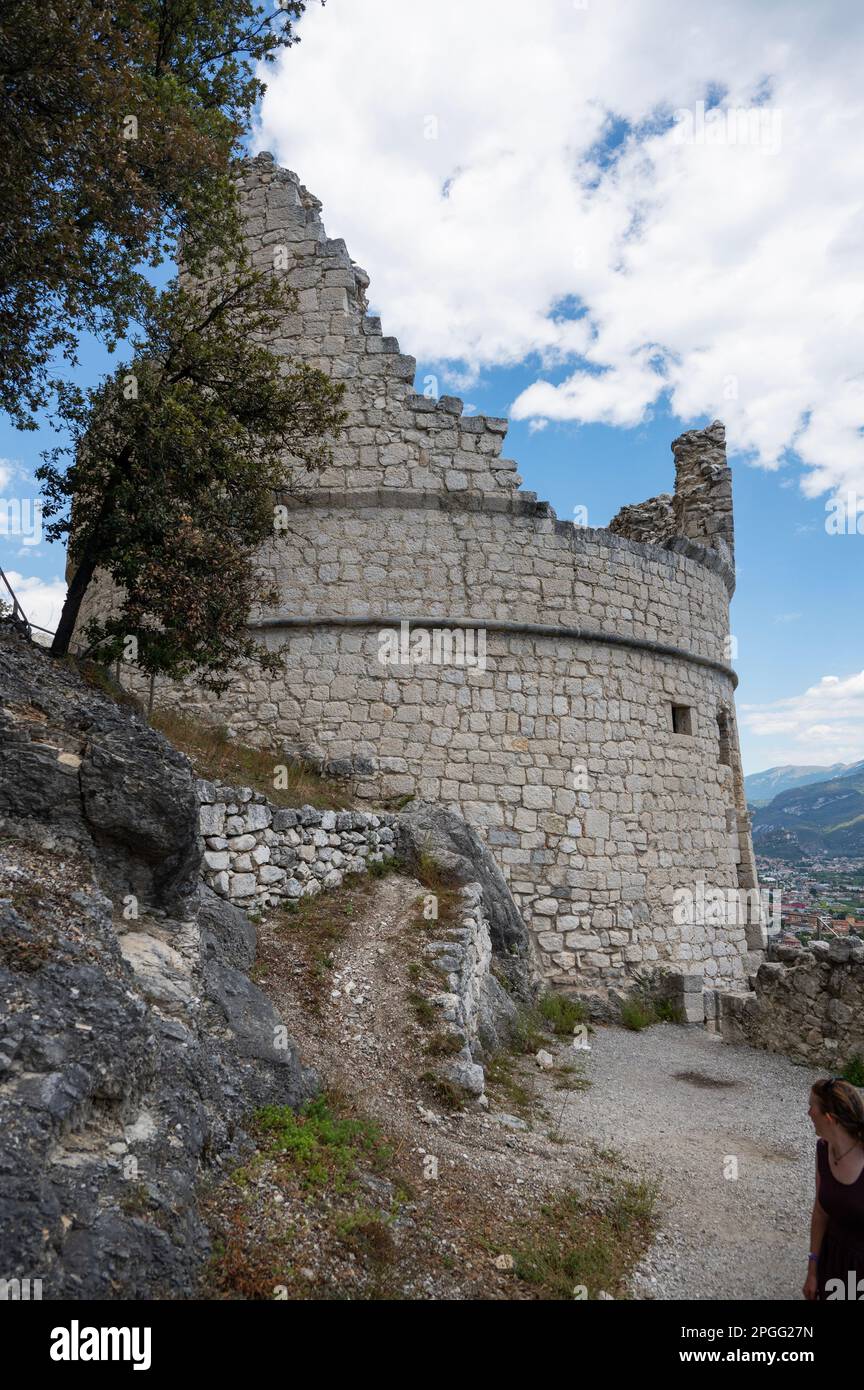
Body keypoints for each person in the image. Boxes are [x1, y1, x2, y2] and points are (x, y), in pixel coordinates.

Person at [803, 1077, 864, 1300]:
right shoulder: (823, 1149)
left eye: (812, 1107)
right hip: (832, 1262)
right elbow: (820, 1212)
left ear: (830, 1119)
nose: (809, 1113)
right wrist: (812, 1269)